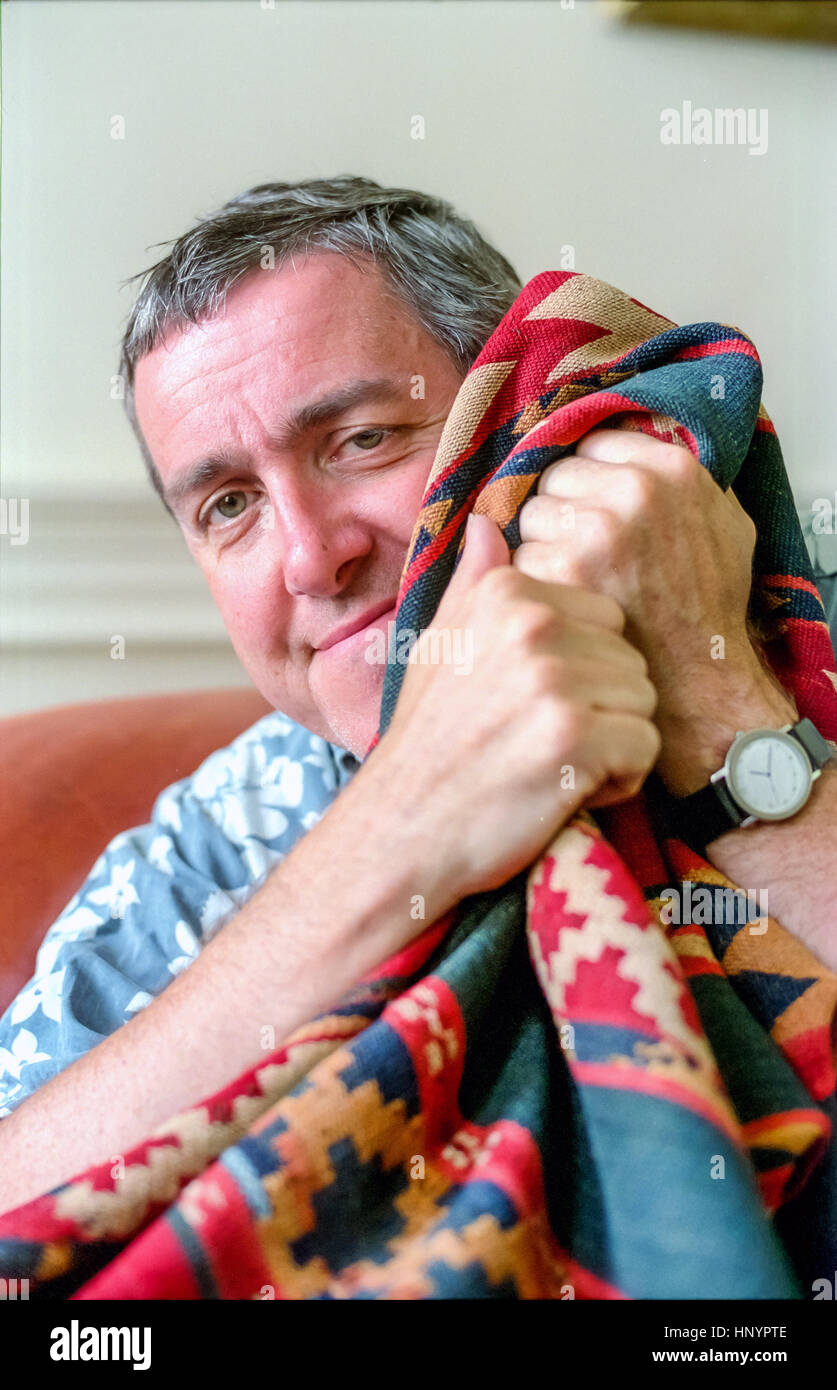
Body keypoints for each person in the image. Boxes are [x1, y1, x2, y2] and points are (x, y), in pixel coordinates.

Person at [0, 175, 834, 1217]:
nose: (312, 557)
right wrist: (398, 825)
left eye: (361, 438)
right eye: (229, 504)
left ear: (521, 407)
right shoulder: (198, 857)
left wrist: (718, 699)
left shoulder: (799, 642)